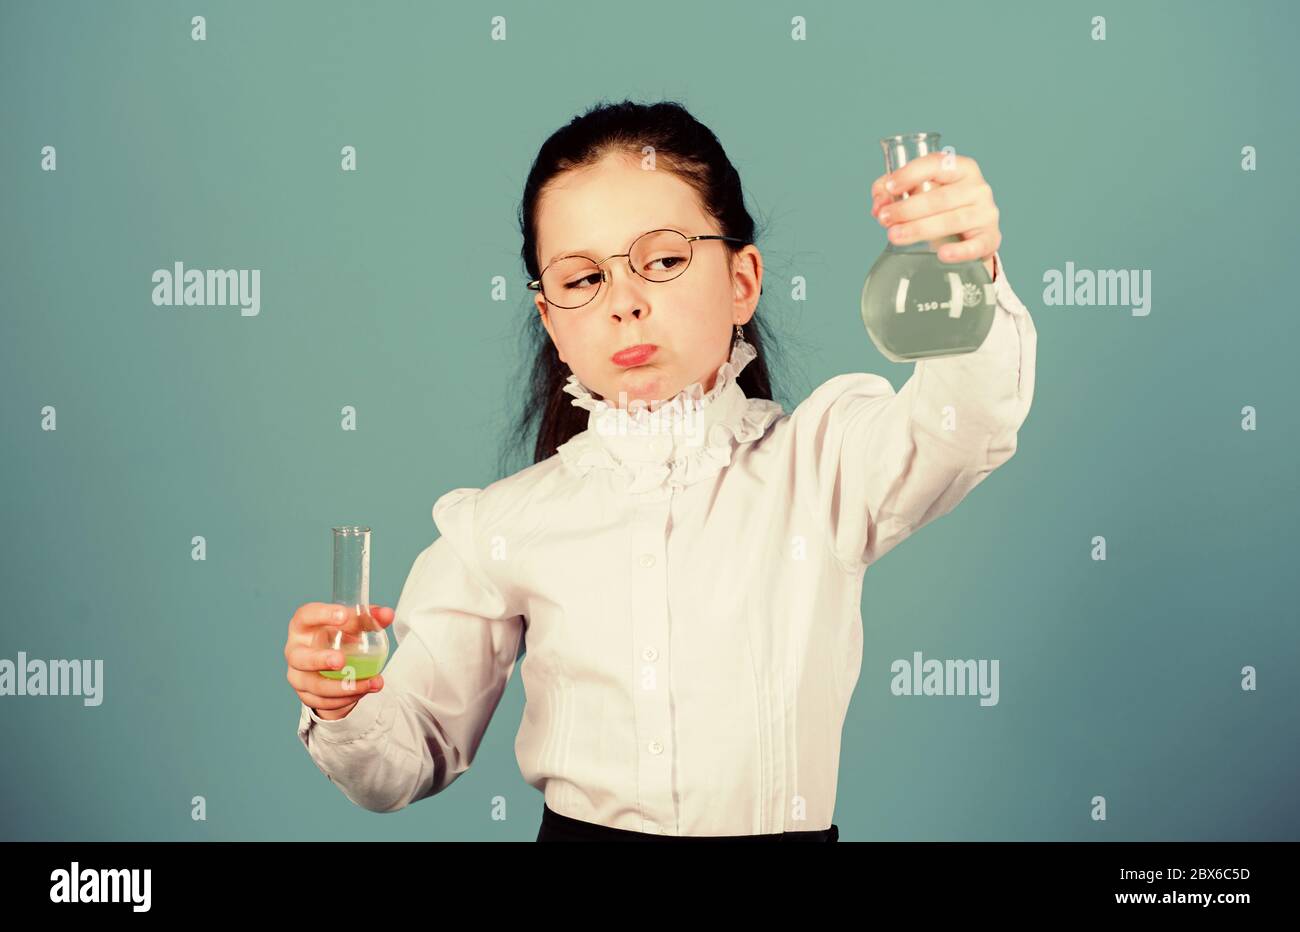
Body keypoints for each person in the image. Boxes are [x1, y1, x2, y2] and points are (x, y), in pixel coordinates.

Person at [286, 99, 1036, 841]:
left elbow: (967, 424)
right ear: (550, 320)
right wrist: (345, 705)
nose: (627, 304)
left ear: (742, 280)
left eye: (666, 260)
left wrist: (965, 264)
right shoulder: (502, 524)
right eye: (583, 280)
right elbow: (407, 756)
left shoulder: (825, 464)